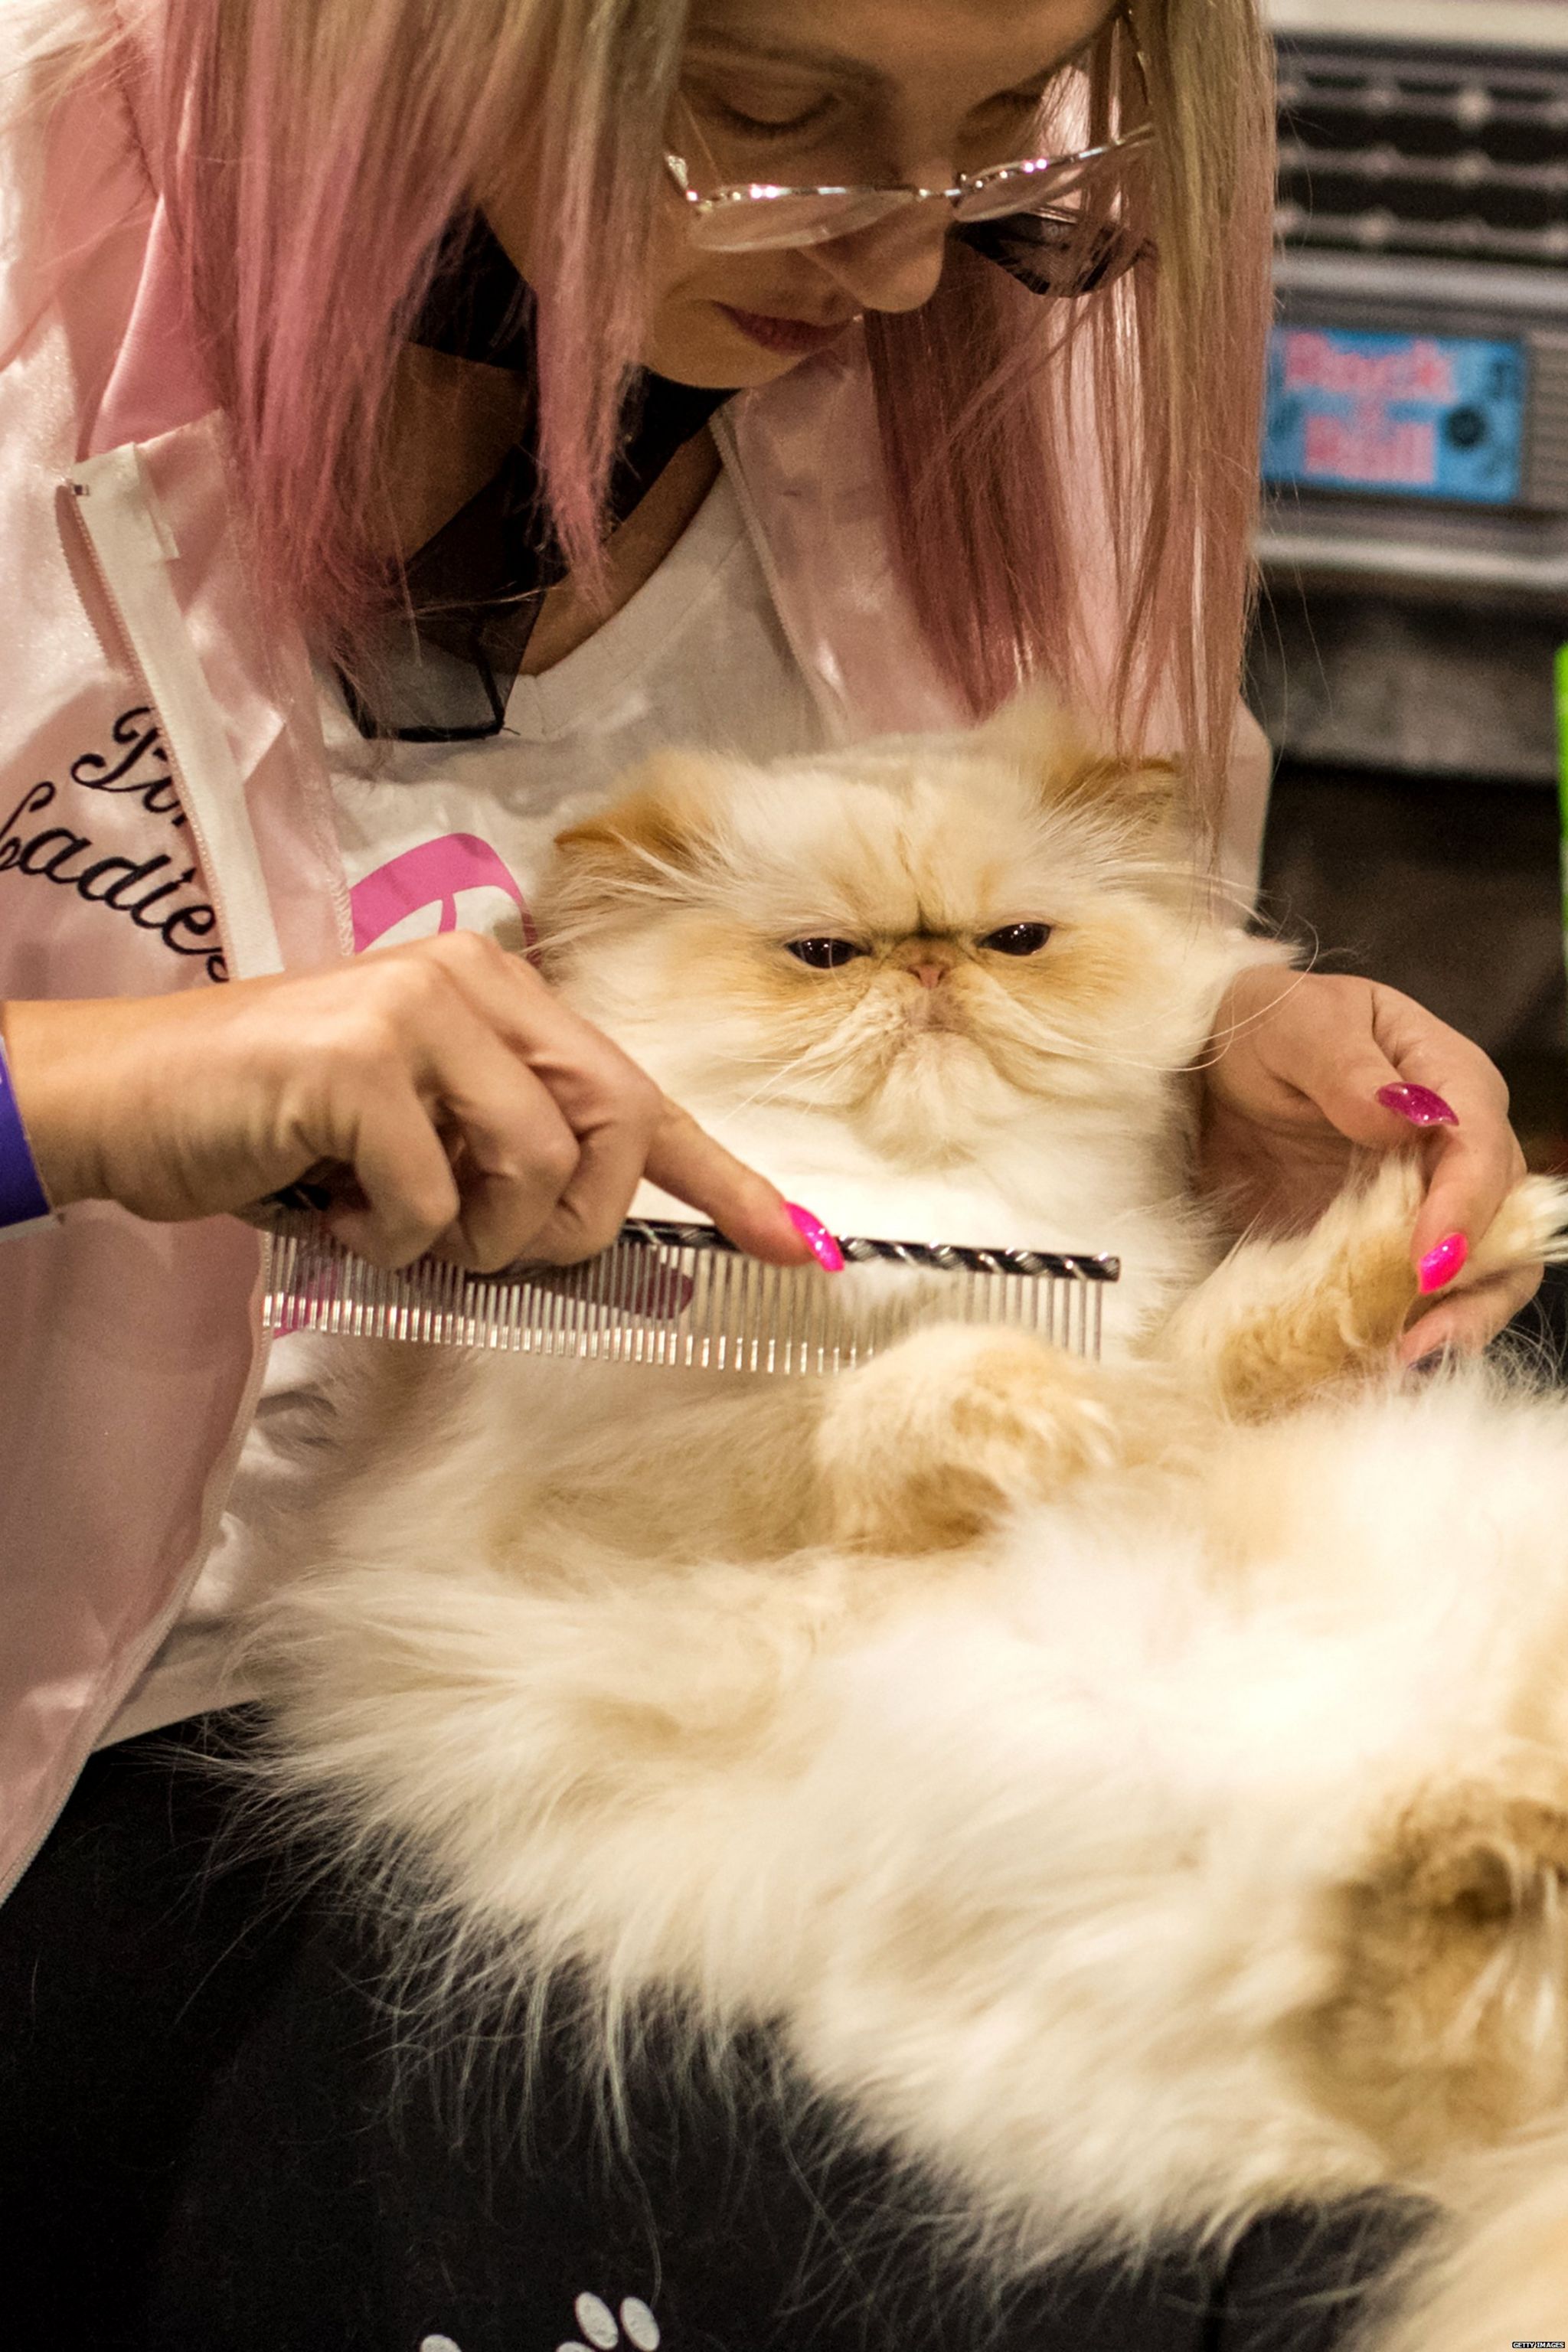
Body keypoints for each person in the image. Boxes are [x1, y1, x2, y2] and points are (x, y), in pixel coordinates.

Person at [0, 0, 1534, 2341]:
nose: (903, 263)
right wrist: (76, 1094)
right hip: (123, 1810)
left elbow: (1061, 884)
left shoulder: (1007, 325)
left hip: (757, 1697)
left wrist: (1206, 1049)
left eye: (1006, 133)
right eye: (768, 113)